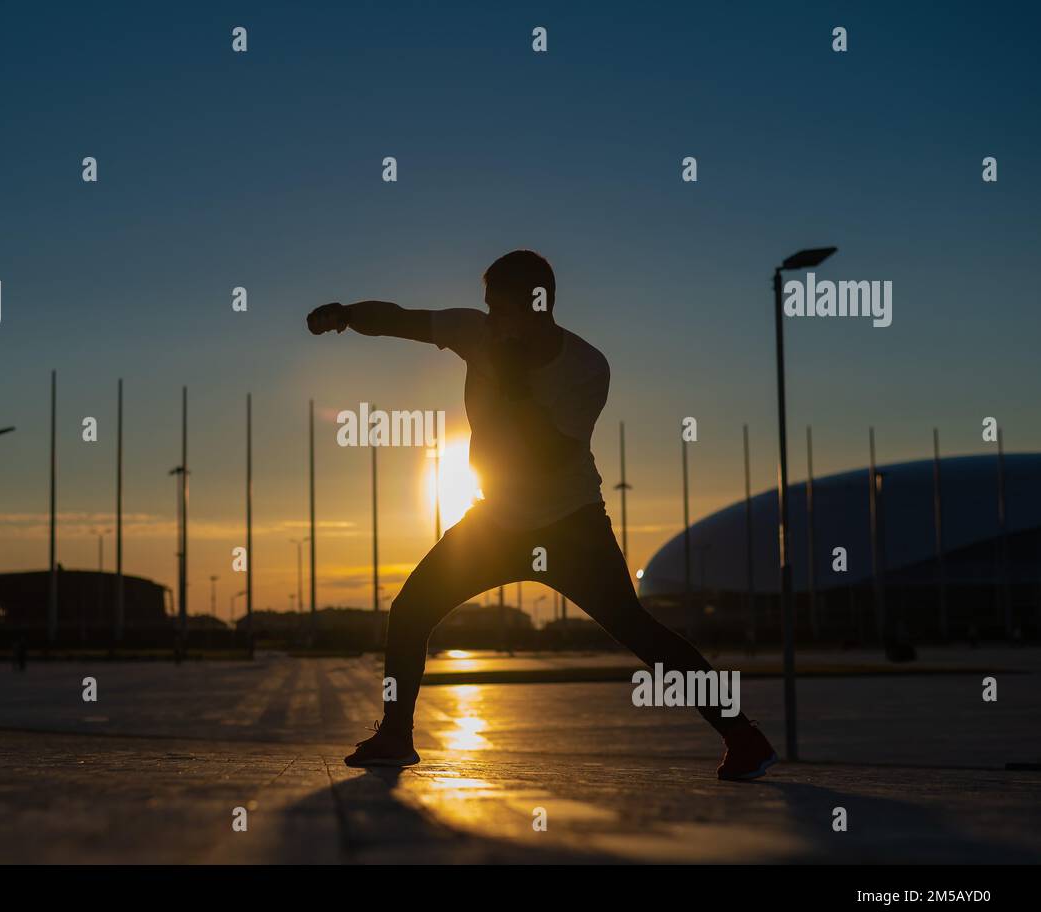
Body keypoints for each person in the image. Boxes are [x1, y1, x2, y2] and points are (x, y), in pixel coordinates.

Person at [306, 250, 777, 780]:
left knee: (637, 630)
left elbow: (551, 453)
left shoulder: (586, 367)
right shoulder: (477, 332)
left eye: (503, 311)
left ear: (540, 304)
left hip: (570, 524)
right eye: (490, 309)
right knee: (410, 611)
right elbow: (402, 319)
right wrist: (346, 314)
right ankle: (395, 735)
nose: (494, 322)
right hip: (495, 522)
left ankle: (743, 735)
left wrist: (511, 385)